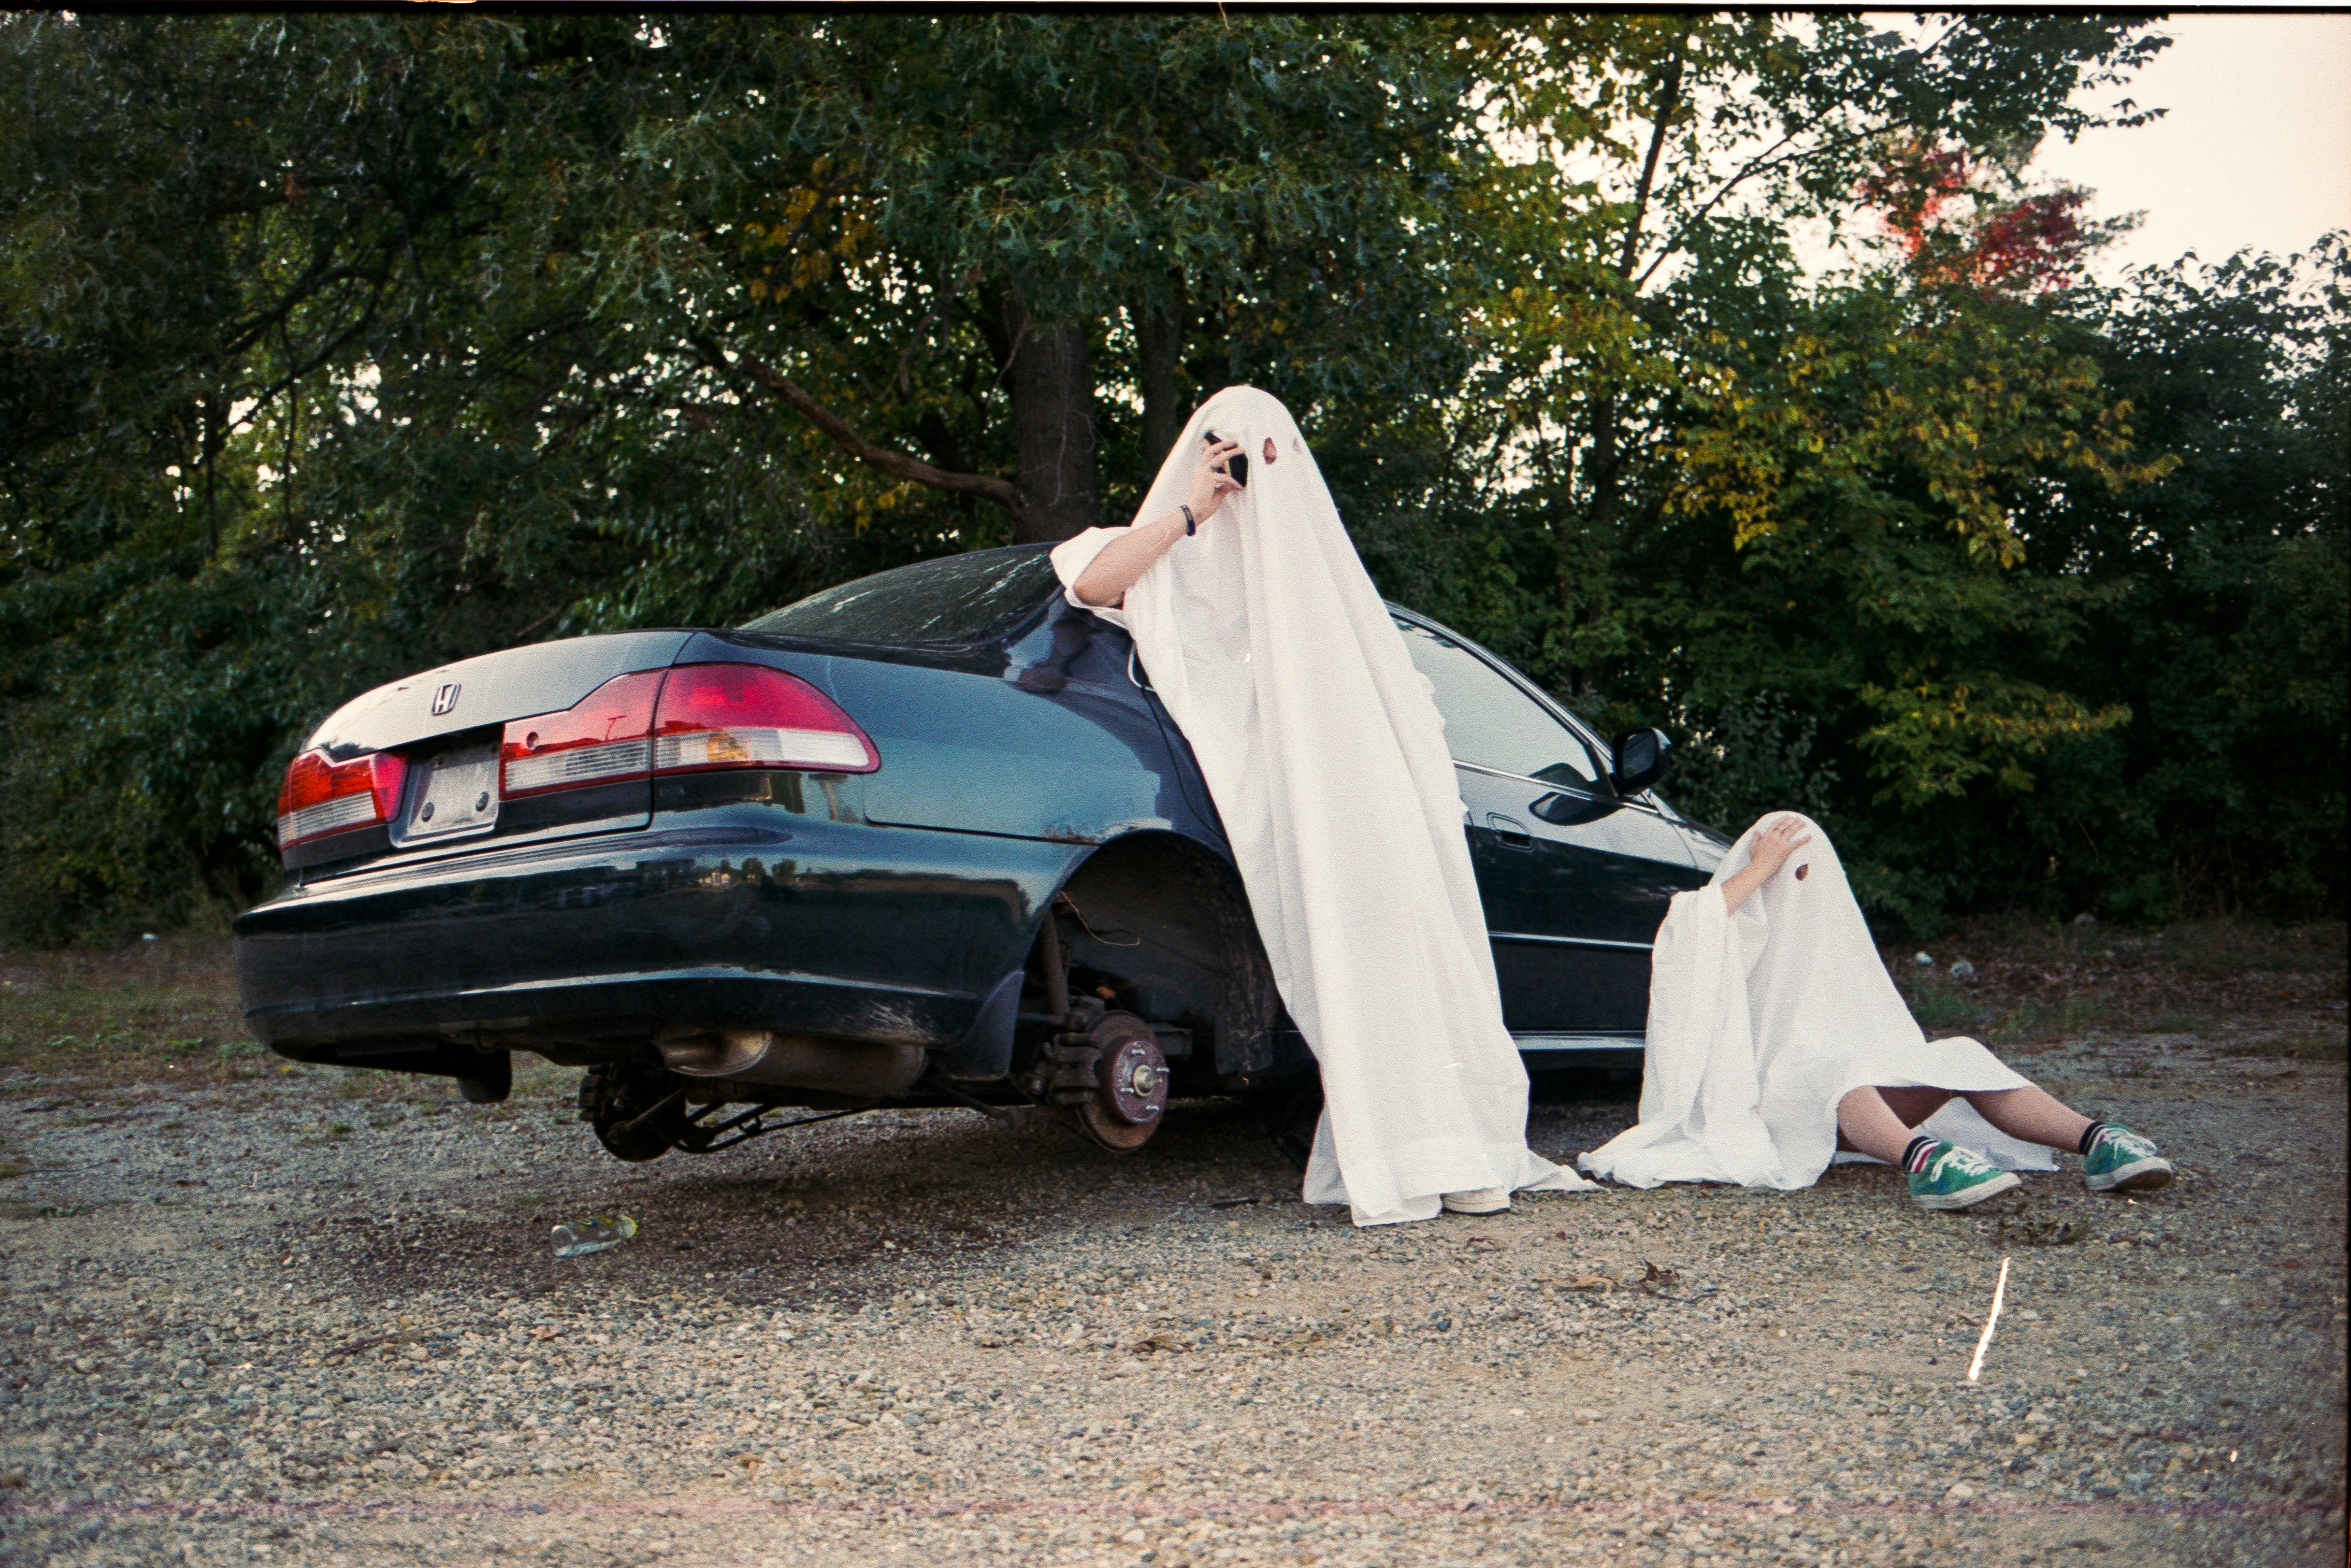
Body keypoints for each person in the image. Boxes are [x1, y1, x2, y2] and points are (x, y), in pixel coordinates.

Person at [1050, 386, 1593, 1227]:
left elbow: (1398, 700)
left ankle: (1460, 1149)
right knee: (1346, 975)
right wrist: (1193, 512)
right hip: (1273, 808)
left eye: (1265, 461)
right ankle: (1402, 1158)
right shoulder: (1148, 549)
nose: (1246, 478)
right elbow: (1091, 583)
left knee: (1416, 964)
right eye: (1228, 452)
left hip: (1364, 806)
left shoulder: (1320, 594)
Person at [1579, 812, 2174, 1209]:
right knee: (1833, 1068)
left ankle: (2099, 1143)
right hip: (1766, 1105)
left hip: (1849, 1102)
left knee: (1959, 1055)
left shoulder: (1829, 942)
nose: (1797, 885)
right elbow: (1689, 932)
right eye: (1785, 873)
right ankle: (1927, 1163)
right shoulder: (1731, 932)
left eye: (1807, 872)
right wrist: (1761, 869)